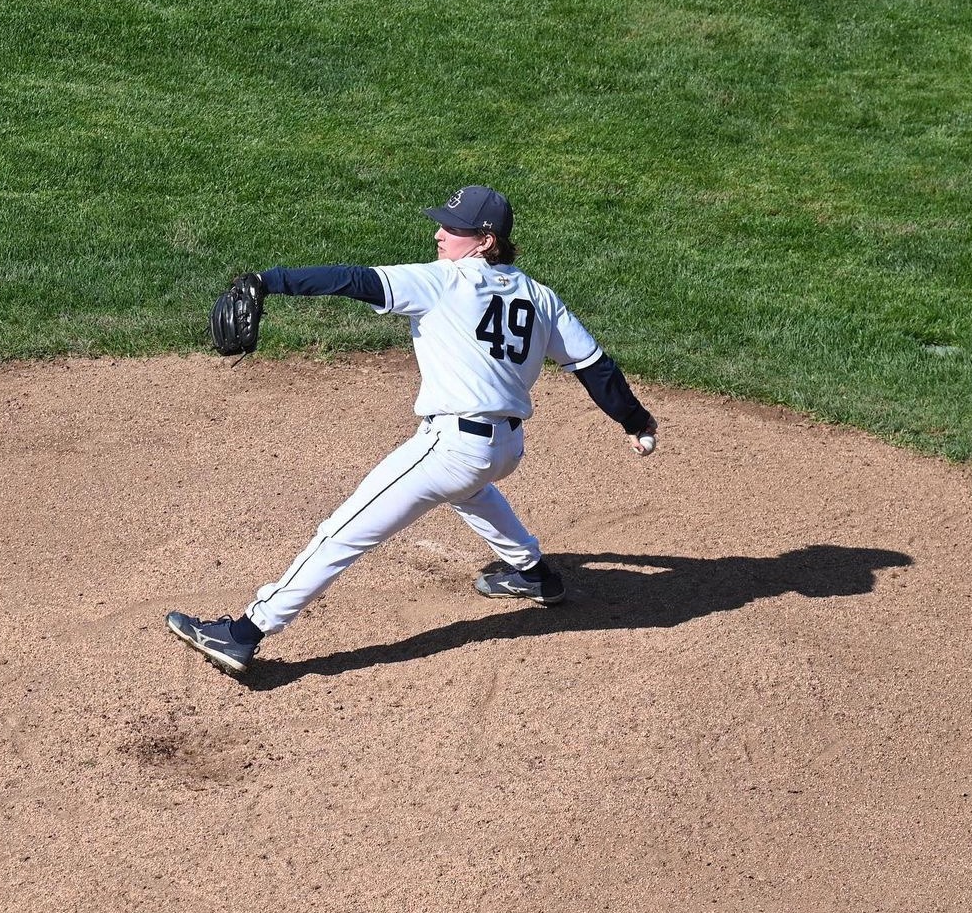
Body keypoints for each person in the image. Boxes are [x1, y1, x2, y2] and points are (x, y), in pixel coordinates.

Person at [166, 185, 658, 675]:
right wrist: (635, 421)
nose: (439, 234)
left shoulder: (443, 281)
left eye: (453, 228)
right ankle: (536, 576)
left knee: (341, 533)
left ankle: (244, 633)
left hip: (453, 446)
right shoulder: (541, 298)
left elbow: (354, 280)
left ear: (485, 241)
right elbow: (595, 366)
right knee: (471, 491)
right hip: (506, 447)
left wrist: (267, 280)